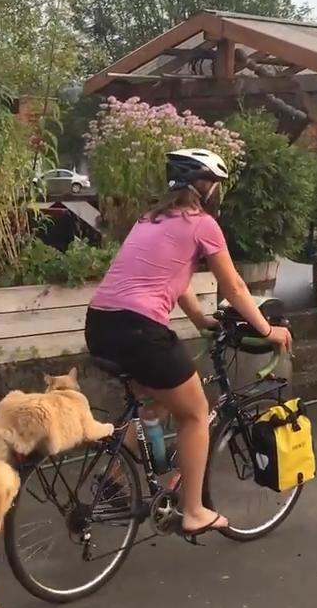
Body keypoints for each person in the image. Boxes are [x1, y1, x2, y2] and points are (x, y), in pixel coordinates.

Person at [85, 148, 292, 538]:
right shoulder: (202, 223)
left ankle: (112, 478)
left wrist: (201, 321)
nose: (216, 193)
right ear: (205, 187)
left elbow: (171, 279)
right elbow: (233, 285)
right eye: (215, 185)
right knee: (196, 413)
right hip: (140, 330)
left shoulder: (150, 219)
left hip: (99, 324)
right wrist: (267, 330)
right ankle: (195, 511)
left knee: (159, 397)